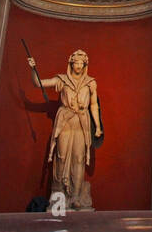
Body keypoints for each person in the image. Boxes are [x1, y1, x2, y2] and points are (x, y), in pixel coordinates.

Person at [27, 49, 103, 209]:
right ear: (71, 63)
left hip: (81, 122)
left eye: (82, 63)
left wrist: (97, 126)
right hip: (65, 121)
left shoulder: (90, 83)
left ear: (85, 65)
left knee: (79, 158)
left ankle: (75, 196)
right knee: (61, 157)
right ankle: (58, 196)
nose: (79, 65)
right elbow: (39, 83)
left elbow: (94, 105)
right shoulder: (61, 80)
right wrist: (33, 69)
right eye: (76, 62)